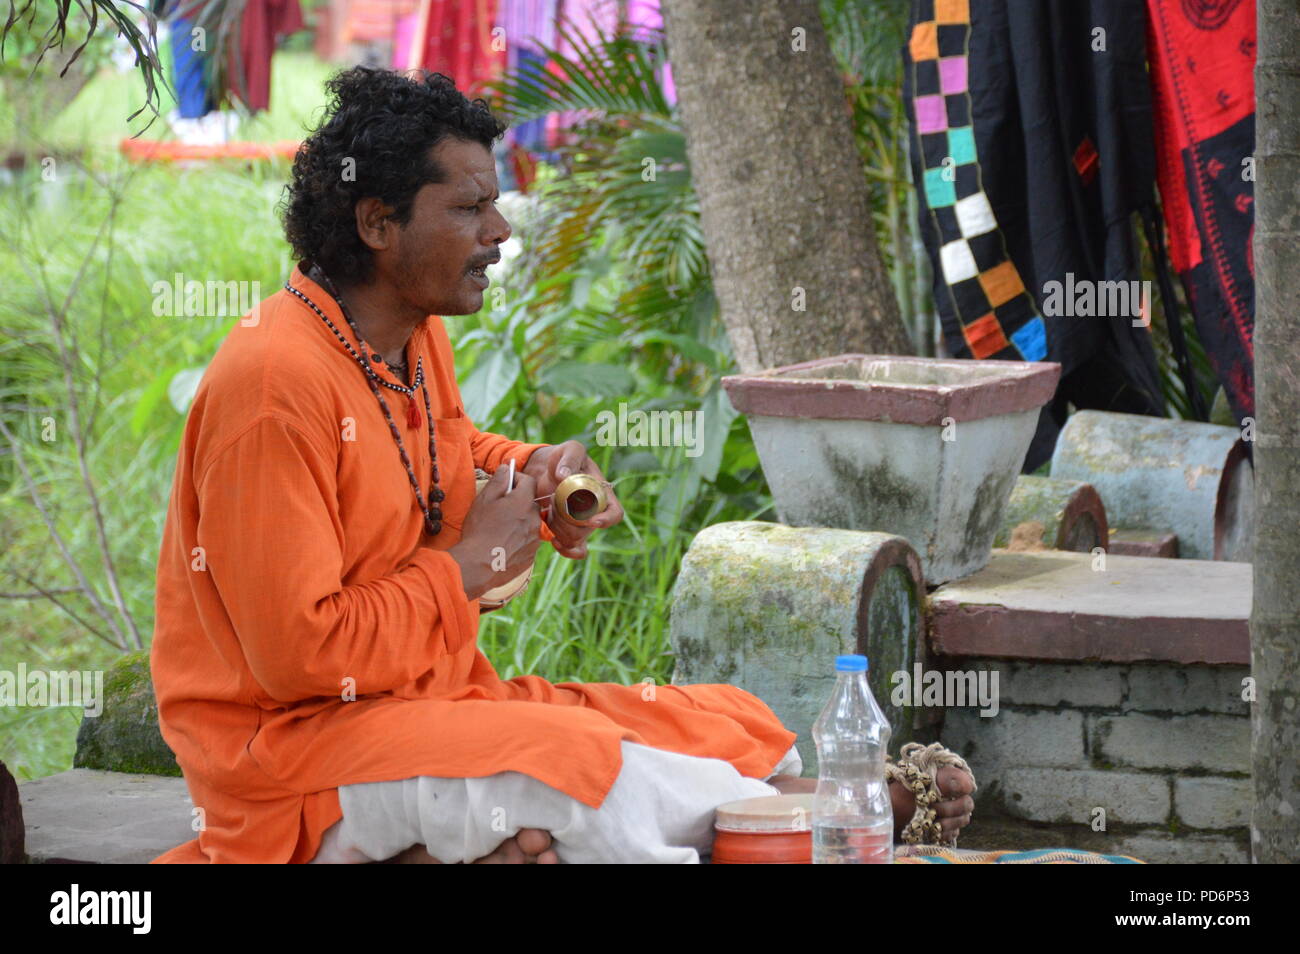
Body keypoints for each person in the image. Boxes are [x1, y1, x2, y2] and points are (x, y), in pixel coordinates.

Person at [149, 66, 975, 864]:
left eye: (495, 204)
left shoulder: (401, 336)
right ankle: (834, 820)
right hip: (292, 759)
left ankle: (778, 817)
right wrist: (465, 570)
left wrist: (531, 467)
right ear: (376, 223)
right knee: (585, 766)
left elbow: (434, 448)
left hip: (425, 702)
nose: (500, 231)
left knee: (716, 720)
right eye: (470, 208)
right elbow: (296, 656)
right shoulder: (272, 386)